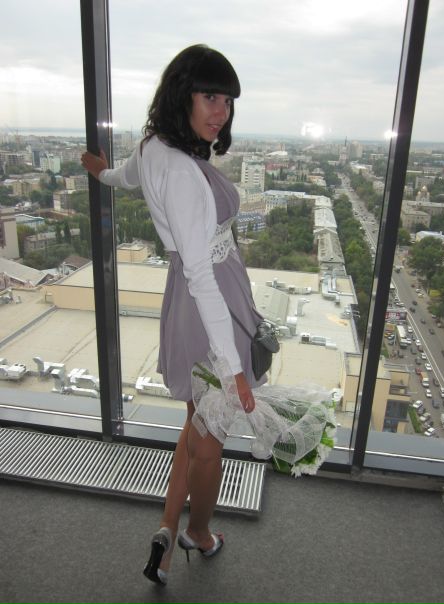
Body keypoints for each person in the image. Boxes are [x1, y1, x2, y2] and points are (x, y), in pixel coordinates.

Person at [81, 44, 266, 586]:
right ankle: (199, 533)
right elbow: (203, 277)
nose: (221, 112)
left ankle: (166, 528)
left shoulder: (155, 147)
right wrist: (234, 368)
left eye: (227, 101)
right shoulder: (184, 172)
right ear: (183, 94)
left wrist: (100, 173)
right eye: (210, 97)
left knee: (194, 423)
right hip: (211, 303)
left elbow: (126, 176)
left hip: (189, 299)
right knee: (210, 442)